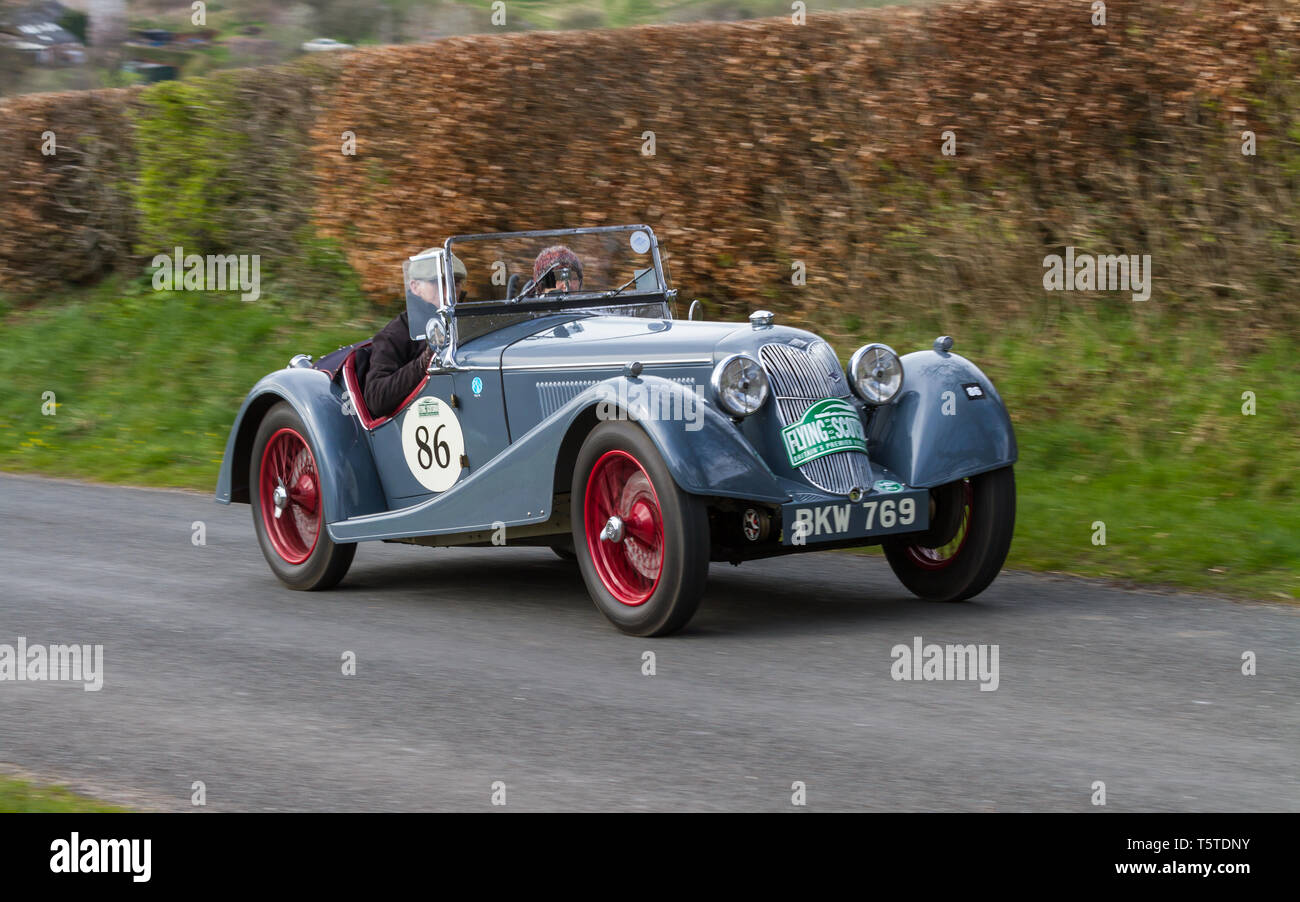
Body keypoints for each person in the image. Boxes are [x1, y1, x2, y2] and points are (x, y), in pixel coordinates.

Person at [364, 251, 467, 420]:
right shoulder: (394, 334)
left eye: (455, 283)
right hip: (425, 417)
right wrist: (423, 362)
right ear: (415, 287)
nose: (450, 291)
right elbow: (376, 398)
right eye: (439, 283)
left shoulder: (469, 320)